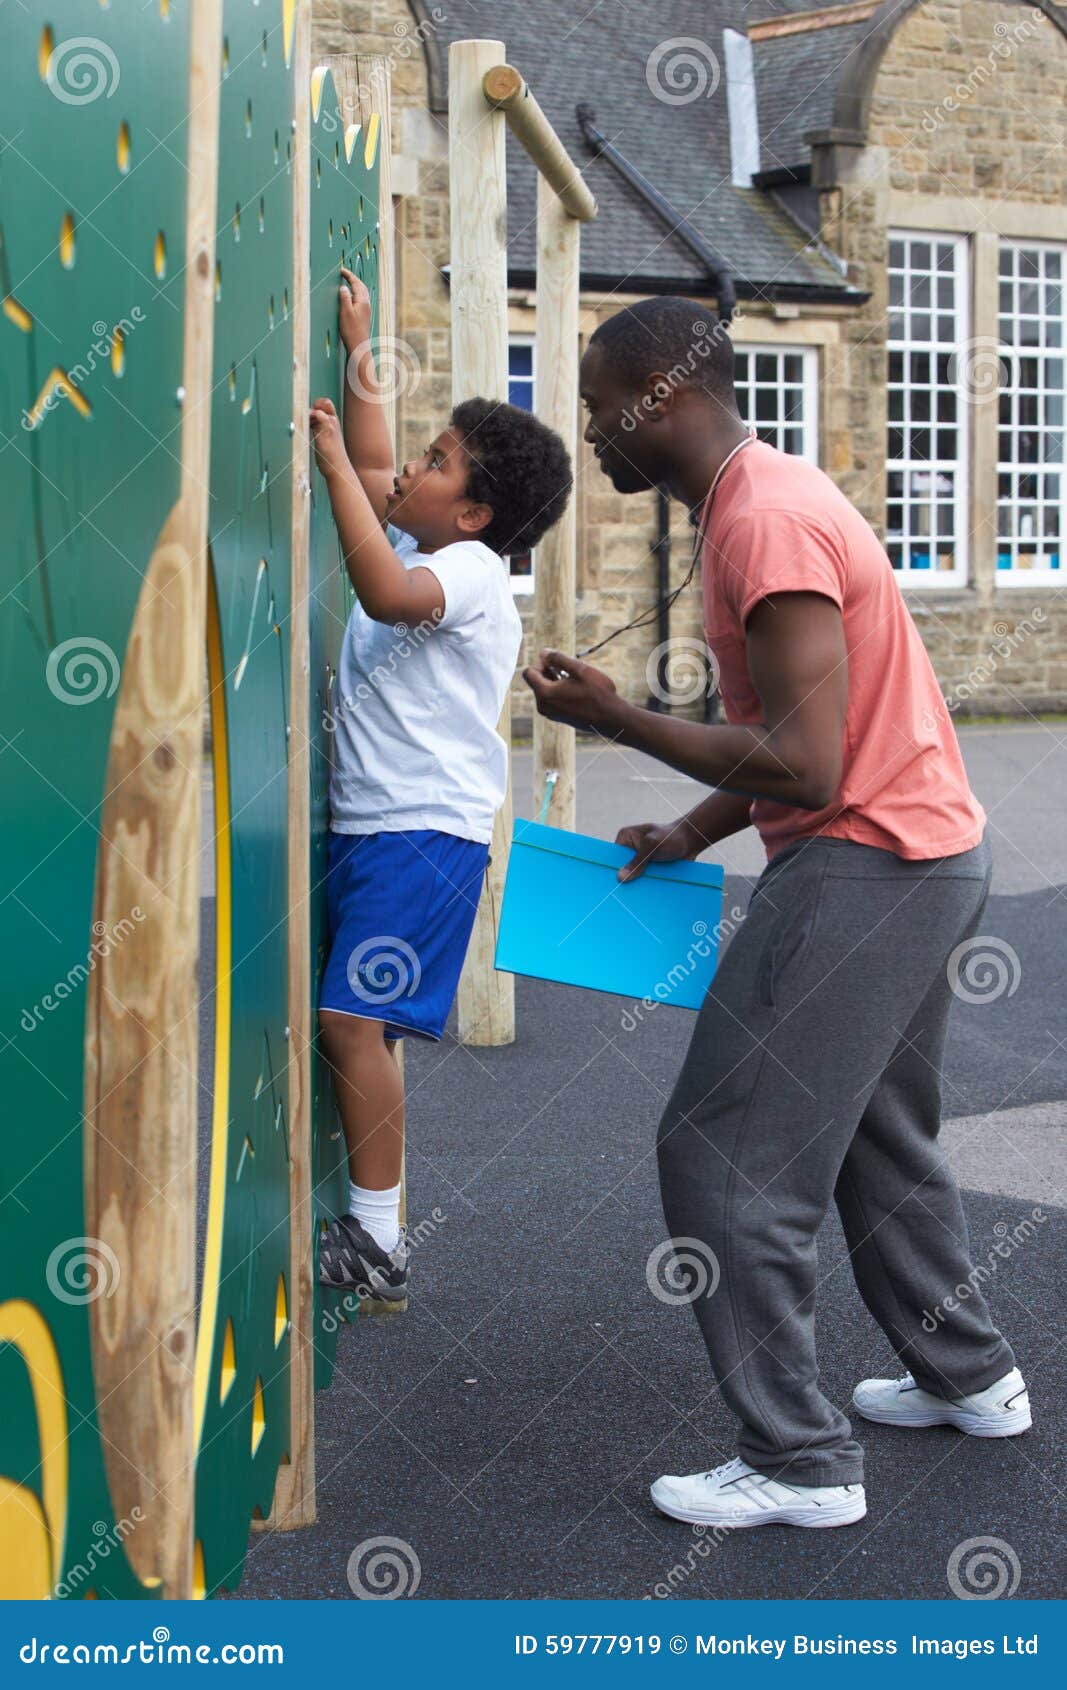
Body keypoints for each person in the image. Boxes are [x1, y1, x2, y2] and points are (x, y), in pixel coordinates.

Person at [524, 296, 1029, 1531]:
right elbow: (813, 745)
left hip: (864, 869)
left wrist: (616, 721)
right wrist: (690, 829)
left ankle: (799, 1461)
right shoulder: (758, 501)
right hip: (920, 856)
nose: (590, 437)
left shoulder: (763, 521)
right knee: (872, 1139)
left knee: (723, 1155)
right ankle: (970, 1376)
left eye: (597, 409)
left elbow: (806, 765)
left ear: (656, 397)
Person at [310, 270, 571, 1303]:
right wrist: (362, 347)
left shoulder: (465, 574)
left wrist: (327, 461)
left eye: (436, 462)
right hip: (379, 827)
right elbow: (374, 462)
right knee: (351, 1019)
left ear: (475, 512)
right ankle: (377, 1220)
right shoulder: (432, 535)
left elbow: (377, 580)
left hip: (422, 836)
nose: (407, 467)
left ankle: (379, 1233)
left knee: (349, 1023)